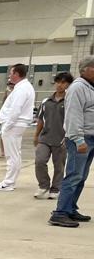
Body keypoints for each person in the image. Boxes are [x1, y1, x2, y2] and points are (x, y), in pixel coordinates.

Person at [49, 57, 94, 227]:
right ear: (86, 70)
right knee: (74, 175)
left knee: (81, 176)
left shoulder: (90, 88)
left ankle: (70, 208)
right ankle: (60, 213)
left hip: (90, 137)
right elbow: (73, 116)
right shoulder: (78, 88)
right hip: (81, 139)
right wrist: (78, 140)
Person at [0, 64, 36, 192]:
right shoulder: (24, 87)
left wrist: (7, 125)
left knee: (12, 155)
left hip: (14, 124)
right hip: (17, 124)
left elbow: (16, 109)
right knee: (15, 154)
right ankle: (10, 181)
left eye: (11, 73)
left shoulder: (22, 89)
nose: (9, 76)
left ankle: (8, 182)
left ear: (16, 74)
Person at [33, 71, 72, 200]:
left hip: (61, 139)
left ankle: (56, 188)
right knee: (39, 161)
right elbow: (40, 120)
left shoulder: (70, 101)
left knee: (59, 166)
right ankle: (43, 185)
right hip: (45, 138)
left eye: (63, 82)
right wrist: (36, 136)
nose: (60, 85)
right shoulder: (46, 101)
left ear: (68, 85)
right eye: (58, 82)